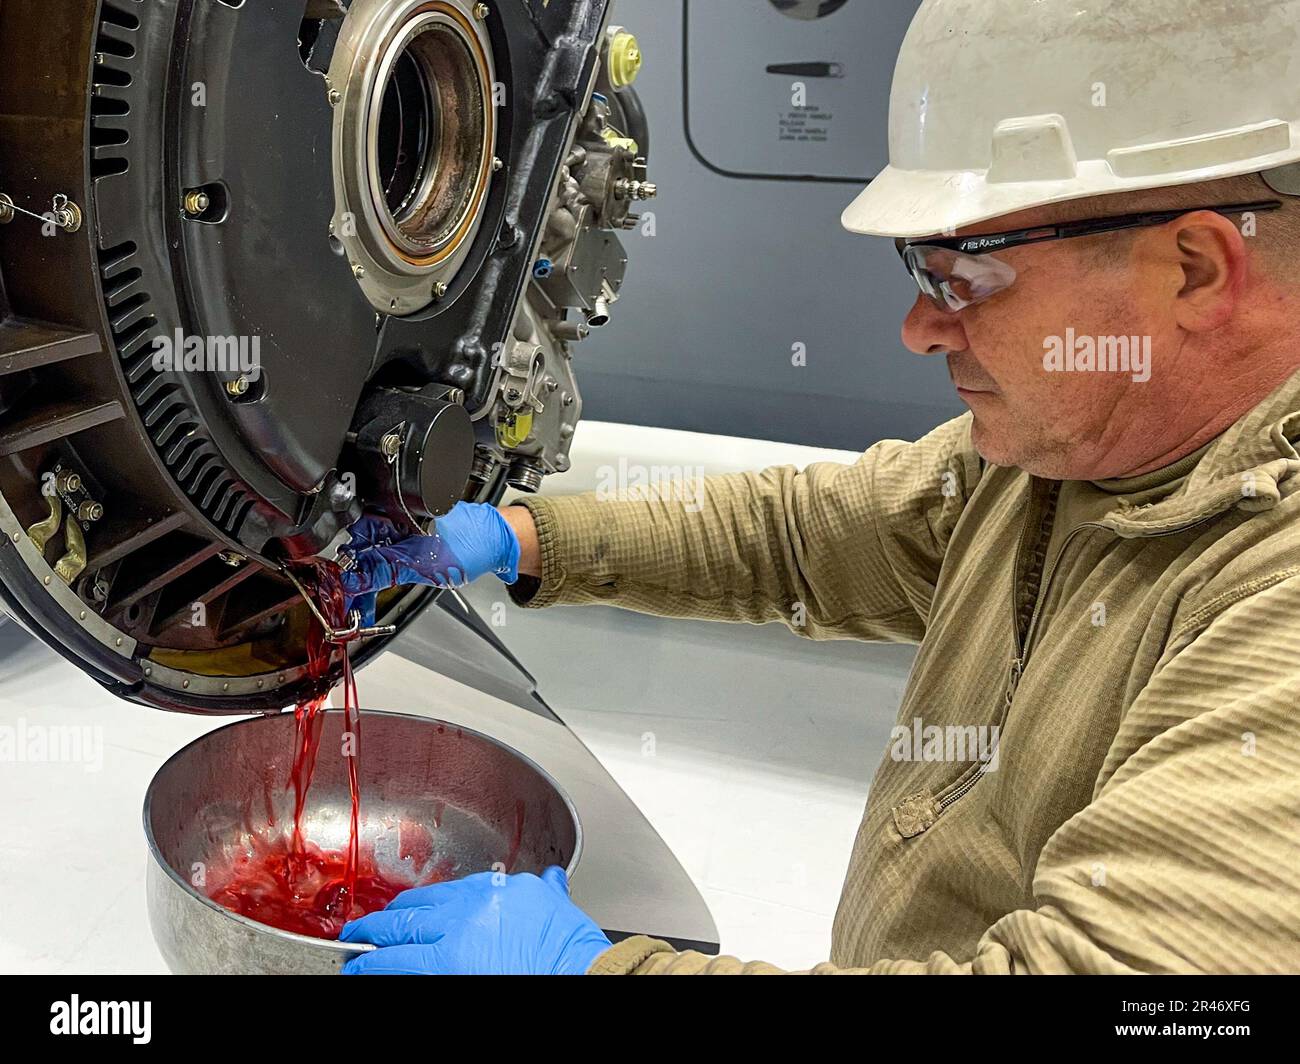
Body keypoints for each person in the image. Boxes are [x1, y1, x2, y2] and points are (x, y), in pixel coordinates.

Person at [336, 0, 1300, 974]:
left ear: (1191, 270)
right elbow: (806, 536)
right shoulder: (1059, 460)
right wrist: (516, 536)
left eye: (963, 275)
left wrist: (587, 973)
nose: (918, 329)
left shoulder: (1273, 615)